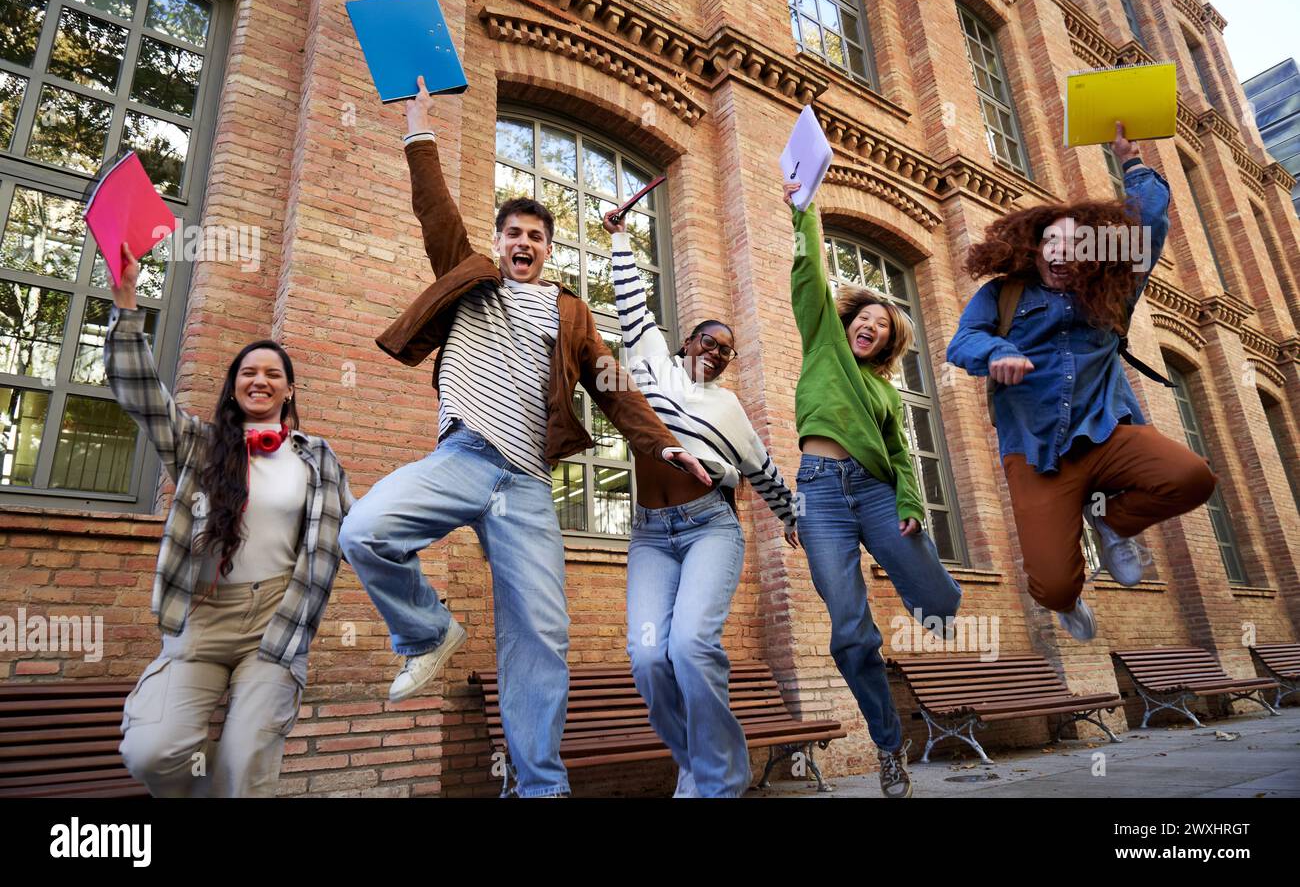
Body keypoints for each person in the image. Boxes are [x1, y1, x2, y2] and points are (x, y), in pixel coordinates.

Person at [339, 77, 711, 798]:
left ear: (545, 251)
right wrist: (419, 129)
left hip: (527, 487)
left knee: (538, 636)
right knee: (364, 529)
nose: (522, 244)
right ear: (499, 241)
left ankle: (540, 787)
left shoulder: (569, 313)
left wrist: (662, 444)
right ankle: (424, 632)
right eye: (513, 234)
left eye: (535, 238)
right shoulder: (469, 276)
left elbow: (614, 387)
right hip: (461, 459)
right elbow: (435, 210)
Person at [946, 122, 1216, 641]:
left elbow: (1151, 224)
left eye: (1077, 246)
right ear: (1036, 246)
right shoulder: (1004, 295)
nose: (1064, 254)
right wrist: (998, 351)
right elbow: (962, 342)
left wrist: (1132, 163)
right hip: (1037, 450)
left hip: (1107, 431)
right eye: (1054, 243)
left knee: (1192, 477)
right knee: (1050, 586)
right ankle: (1067, 597)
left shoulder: (1113, 291)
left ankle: (1112, 521)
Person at [105, 244, 354, 797]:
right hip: (203, 614)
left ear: (289, 389)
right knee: (152, 750)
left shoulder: (318, 459)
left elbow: (350, 537)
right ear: (235, 385)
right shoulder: (199, 444)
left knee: (246, 765)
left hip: (275, 616)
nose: (259, 379)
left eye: (273, 373)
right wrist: (127, 302)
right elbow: (143, 397)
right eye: (248, 372)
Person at [603, 209, 800, 798]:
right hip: (649, 533)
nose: (715, 352)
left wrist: (793, 518)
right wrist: (618, 239)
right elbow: (632, 302)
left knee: (690, 645)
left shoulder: (729, 408)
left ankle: (718, 784)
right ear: (686, 340)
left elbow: (762, 471)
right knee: (646, 656)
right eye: (708, 341)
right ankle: (694, 764)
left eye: (726, 350)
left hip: (711, 527)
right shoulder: (649, 362)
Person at [784, 182, 962, 798]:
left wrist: (912, 502)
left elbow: (901, 456)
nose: (869, 327)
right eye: (863, 318)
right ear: (847, 322)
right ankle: (889, 747)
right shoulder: (822, 346)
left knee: (941, 598)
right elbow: (809, 272)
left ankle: (930, 607)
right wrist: (804, 208)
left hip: (879, 491)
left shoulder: (885, 393)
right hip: (820, 495)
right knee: (851, 632)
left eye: (881, 326)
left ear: (888, 341)